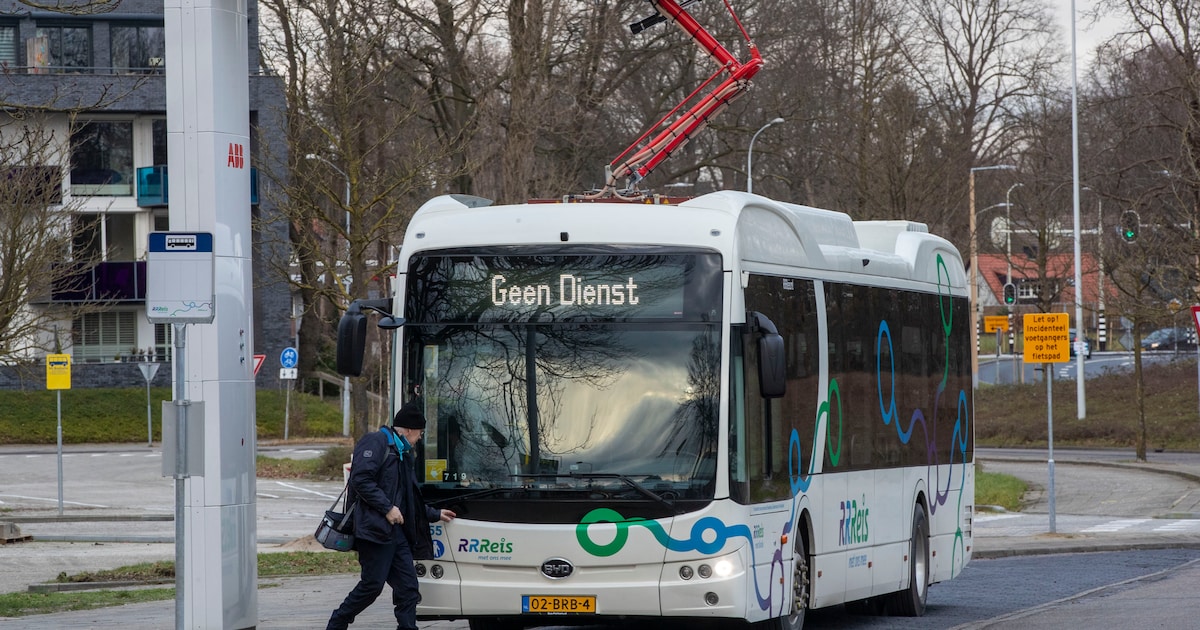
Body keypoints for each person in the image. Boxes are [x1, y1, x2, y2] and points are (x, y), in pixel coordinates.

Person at [327, 401, 456, 630]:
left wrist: (433, 513)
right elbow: (360, 479)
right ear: (409, 430)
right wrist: (387, 508)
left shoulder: (403, 453)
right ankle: (338, 622)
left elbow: (407, 499)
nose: (420, 438)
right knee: (372, 586)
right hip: (375, 531)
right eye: (420, 433)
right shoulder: (376, 442)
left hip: (397, 534)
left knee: (408, 588)